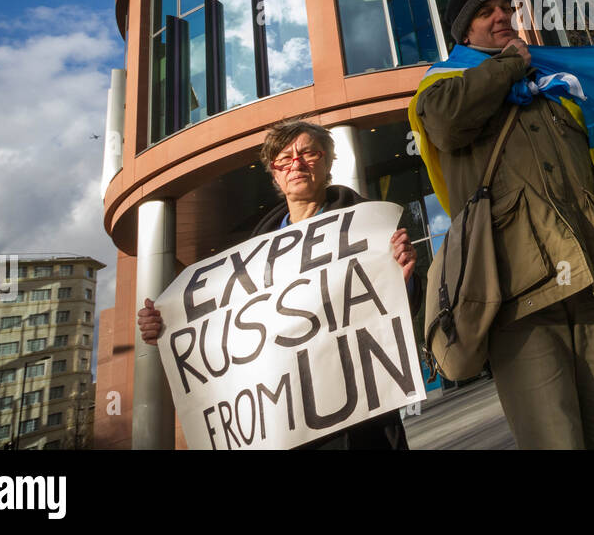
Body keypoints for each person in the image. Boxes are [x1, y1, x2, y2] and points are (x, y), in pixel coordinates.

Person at [413, 0, 594, 449]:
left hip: (590, 282)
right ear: (463, 33)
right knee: (553, 438)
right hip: (517, 294)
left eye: (505, 8)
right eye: (485, 13)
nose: (501, 16)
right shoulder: (442, 87)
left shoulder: (555, 89)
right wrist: (510, 65)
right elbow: (446, 123)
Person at [137, 119, 419, 450]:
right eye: (283, 159)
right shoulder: (252, 261)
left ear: (327, 162)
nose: (296, 164)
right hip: (291, 429)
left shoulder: (367, 227)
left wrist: (401, 283)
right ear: (275, 174)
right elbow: (228, 340)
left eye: (308, 153)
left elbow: (399, 315)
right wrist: (169, 331)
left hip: (365, 426)